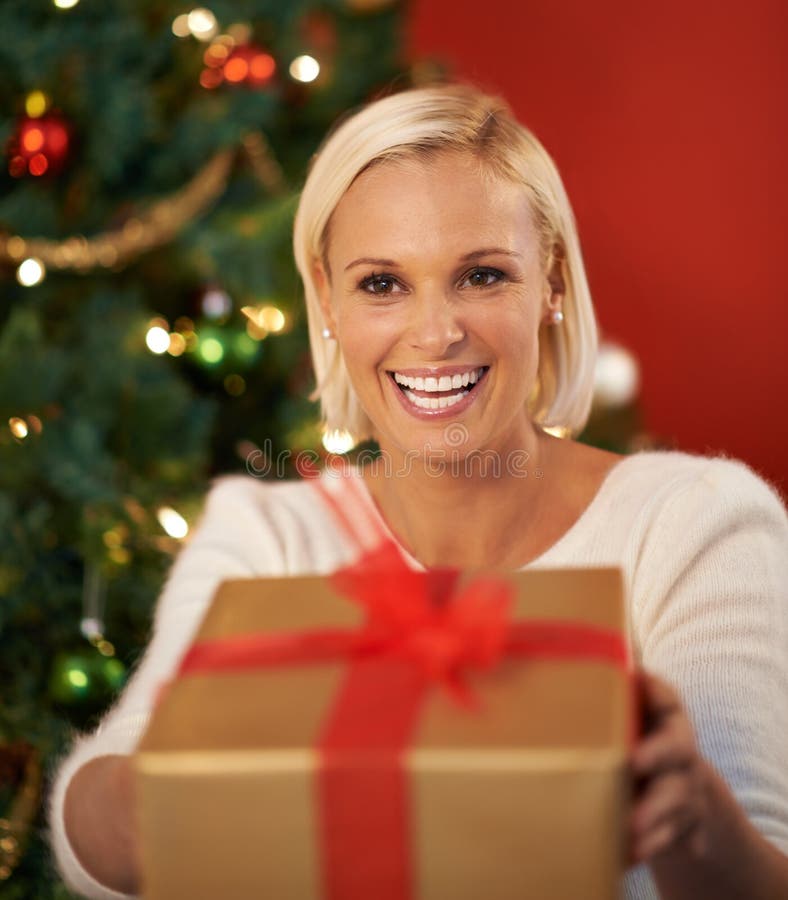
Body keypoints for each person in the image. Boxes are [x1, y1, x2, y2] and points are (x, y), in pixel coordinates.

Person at [49, 83, 788, 900]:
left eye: (480, 275)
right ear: (326, 299)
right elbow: (101, 833)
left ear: (551, 284)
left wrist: (693, 819)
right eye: (381, 284)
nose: (435, 334)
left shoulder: (693, 526)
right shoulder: (271, 535)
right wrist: (173, 790)